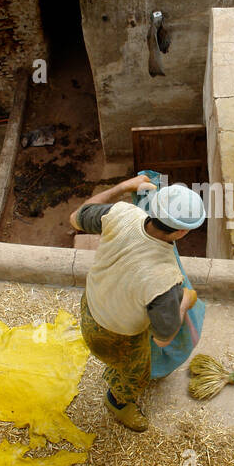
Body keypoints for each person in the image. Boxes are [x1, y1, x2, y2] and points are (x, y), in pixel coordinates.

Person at [69, 176, 205, 432]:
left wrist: (122, 187)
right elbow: (163, 339)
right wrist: (186, 301)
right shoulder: (166, 280)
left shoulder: (121, 213)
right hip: (114, 337)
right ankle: (118, 402)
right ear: (183, 232)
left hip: (91, 306)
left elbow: (76, 217)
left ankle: (115, 379)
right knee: (136, 373)